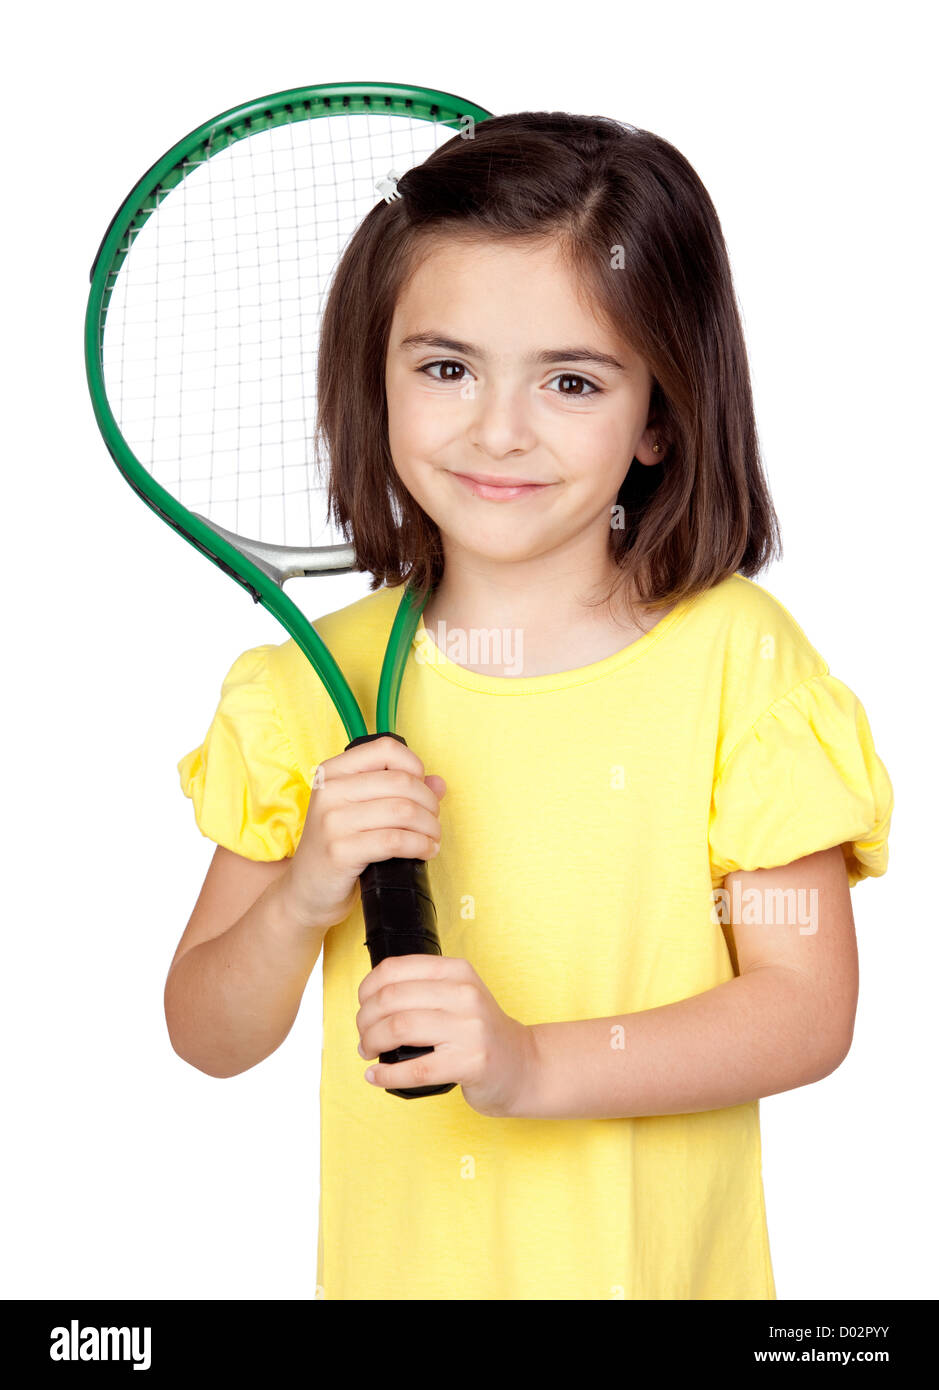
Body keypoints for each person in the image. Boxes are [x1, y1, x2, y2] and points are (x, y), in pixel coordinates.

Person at [168, 112, 894, 1300]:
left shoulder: (738, 665)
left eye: (570, 379)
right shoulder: (311, 685)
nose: (497, 429)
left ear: (662, 411)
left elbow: (806, 1010)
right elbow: (207, 1030)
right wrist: (305, 888)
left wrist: (531, 1063)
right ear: (378, 375)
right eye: (446, 367)